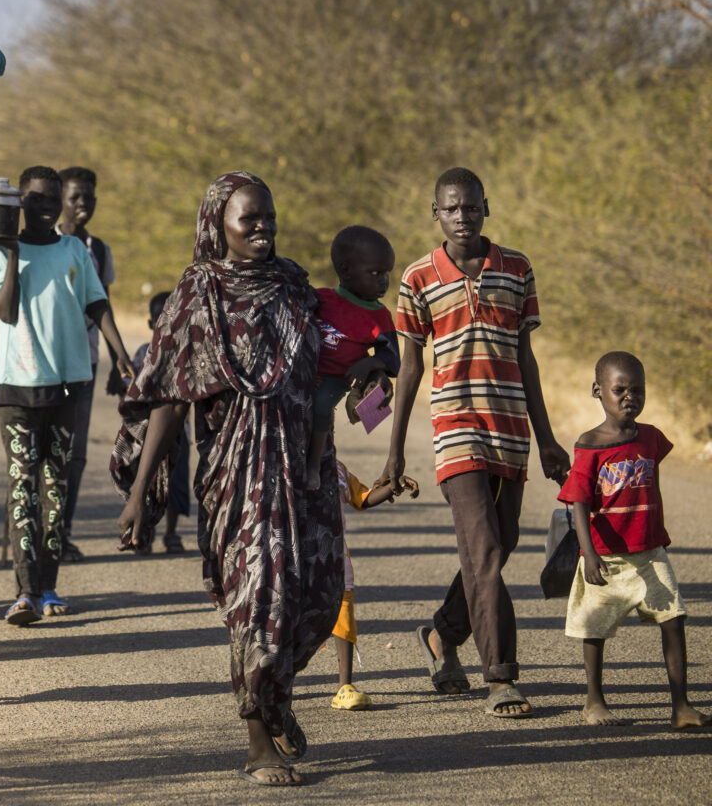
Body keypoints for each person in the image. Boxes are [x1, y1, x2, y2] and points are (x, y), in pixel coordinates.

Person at [112, 172, 336, 787]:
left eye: (268, 217)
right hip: (238, 469)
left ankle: (277, 694)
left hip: (302, 466)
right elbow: (168, 396)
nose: (263, 228)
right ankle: (258, 737)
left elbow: (330, 358)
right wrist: (139, 495)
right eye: (249, 220)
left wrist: (374, 362)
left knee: (317, 594)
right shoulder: (198, 293)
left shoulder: (293, 284)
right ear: (218, 226)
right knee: (259, 596)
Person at [382, 167, 569, 719]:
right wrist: (395, 450)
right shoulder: (418, 278)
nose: (462, 216)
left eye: (471, 206)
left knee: (500, 544)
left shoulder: (517, 268)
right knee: (485, 552)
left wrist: (548, 438)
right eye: (450, 208)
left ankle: (443, 634)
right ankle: (502, 677)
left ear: (486, 206)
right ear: (435, 213)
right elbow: (411, 367)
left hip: (509, 428)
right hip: (456, 429)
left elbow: (526, 358)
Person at [0, 166, 134, 625]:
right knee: (22, 489)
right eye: (35, 200)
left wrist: (119, 353)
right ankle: (25, 592)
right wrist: (12, 254)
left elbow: (96, 303)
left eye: (52, 200)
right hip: (17, 388)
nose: (45, 208)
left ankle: (48, 586)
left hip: (68, 384)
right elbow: (5, 311)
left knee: (54, 488)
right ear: (19, 203)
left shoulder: (75, 250)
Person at [558, 351, 710, 729]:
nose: (630, 397)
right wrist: (587, 553)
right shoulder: (590, 444)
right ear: (598, 391)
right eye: (619, 389)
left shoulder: (652, 437)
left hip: (650, 553)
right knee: (594, 629)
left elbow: (651, 482)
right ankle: (594, 701)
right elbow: (578, 501)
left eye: (637, 390)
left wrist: (657, 529)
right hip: (606, 558)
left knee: (673, 619)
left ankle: (681, 706)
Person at [54, 166, 118, 562]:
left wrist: (115, 362)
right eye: (75, 197)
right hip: (47, 362)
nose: (82, 205)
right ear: (60, 199)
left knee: (76, 452)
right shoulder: (45, 243)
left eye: (89, 198)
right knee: (48, 450)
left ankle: (63, 531)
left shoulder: (99, 249)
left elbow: (104, 305)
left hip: (87, 363)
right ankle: (39, 530)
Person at [307, 226, 399, 490]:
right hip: (307, 372)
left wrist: (369, 363)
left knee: (322, 403)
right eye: (375, 273)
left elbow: (393, 360)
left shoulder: (379, 316)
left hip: (340, 377)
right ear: (347, 270)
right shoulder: (321, 298)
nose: (384, 281)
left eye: (386, 274)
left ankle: (313, 466)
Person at [322, 459, 416, 711]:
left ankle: (345, 686)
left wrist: (392, 486)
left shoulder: (336, 468)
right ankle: (278, 683)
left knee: (343, 606)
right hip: (293, 557)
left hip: (334, 557)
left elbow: (362, 497)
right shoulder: (281, 461)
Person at [124, 290, 190, 556]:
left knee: (176, 483)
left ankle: (171, 533)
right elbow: (130, 388)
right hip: (144, 432)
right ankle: (143, 531)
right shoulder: (144, 353)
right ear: (152, 324)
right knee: (146, 482)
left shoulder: (186, 352)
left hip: (179, 431)